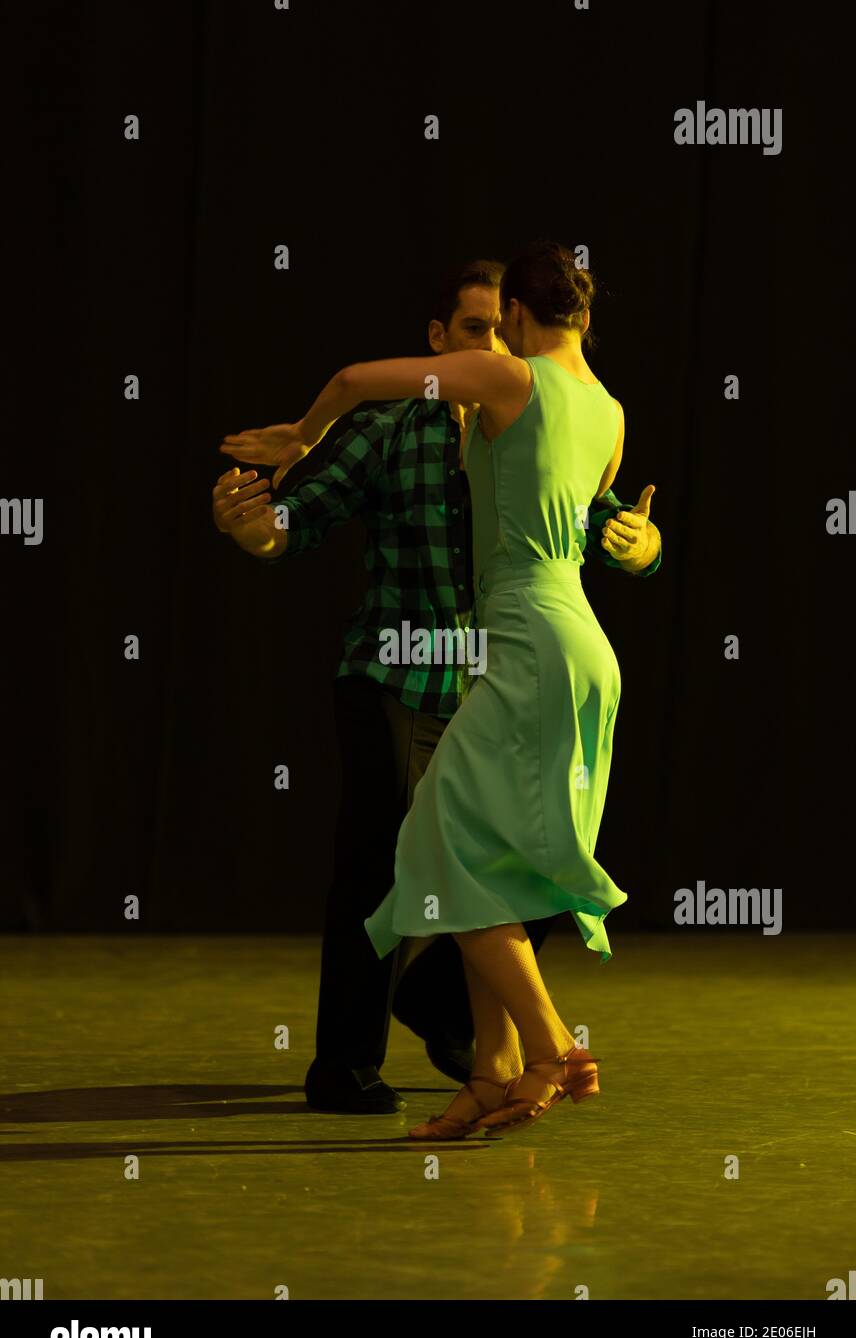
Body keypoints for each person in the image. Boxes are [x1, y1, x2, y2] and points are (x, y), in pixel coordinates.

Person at [216, 248, 661, 1126]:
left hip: (512, 660)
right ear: (440, 338)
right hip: (426, 669)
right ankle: (439, 1070)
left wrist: (644, 548)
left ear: (524, 327)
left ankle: (529, 1047)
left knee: (464, 854)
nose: (492, 347)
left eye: (501, 331)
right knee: (433, 860)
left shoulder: (522, 391)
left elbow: (609, 522)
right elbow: (291, 525)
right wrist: (254, 527)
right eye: (472, 334)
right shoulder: (558, 411)